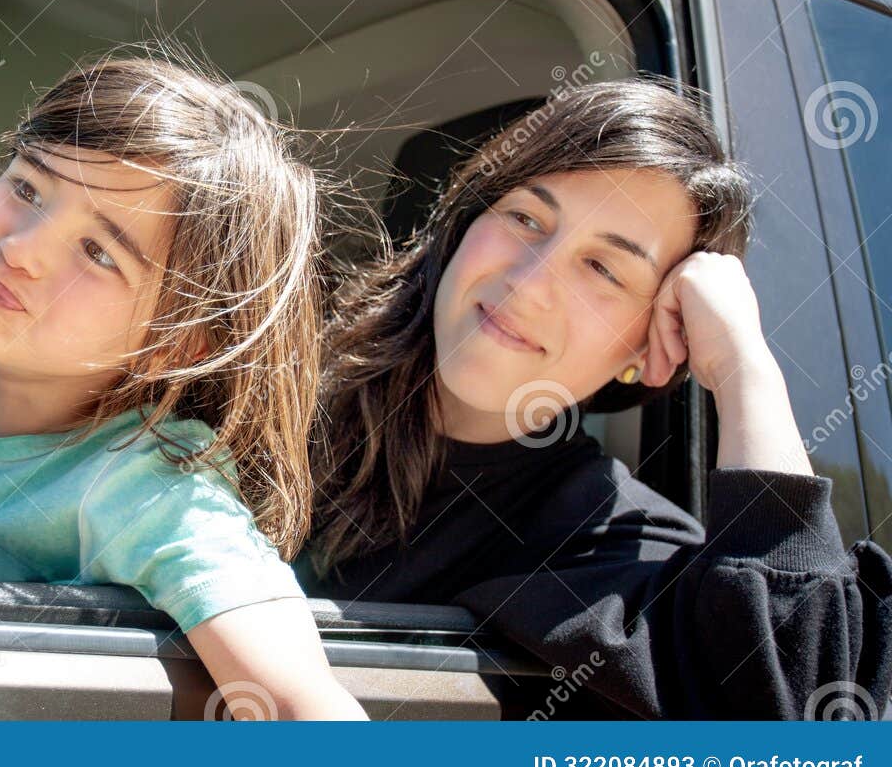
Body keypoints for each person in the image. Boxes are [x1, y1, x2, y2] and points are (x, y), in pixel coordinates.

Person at [0, 52, 365, 720]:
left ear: (179, 341)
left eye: (99, 252)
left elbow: (309, 710)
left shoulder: (148, 486)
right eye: (28, 187)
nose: (21, 247)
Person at [303, 78, 892, 719]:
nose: (528, 284)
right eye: (526, 218)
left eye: (604, 269)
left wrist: (745, 368)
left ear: (652, 346)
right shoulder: (261, 392)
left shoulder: (610, 544)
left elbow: (797, 740)